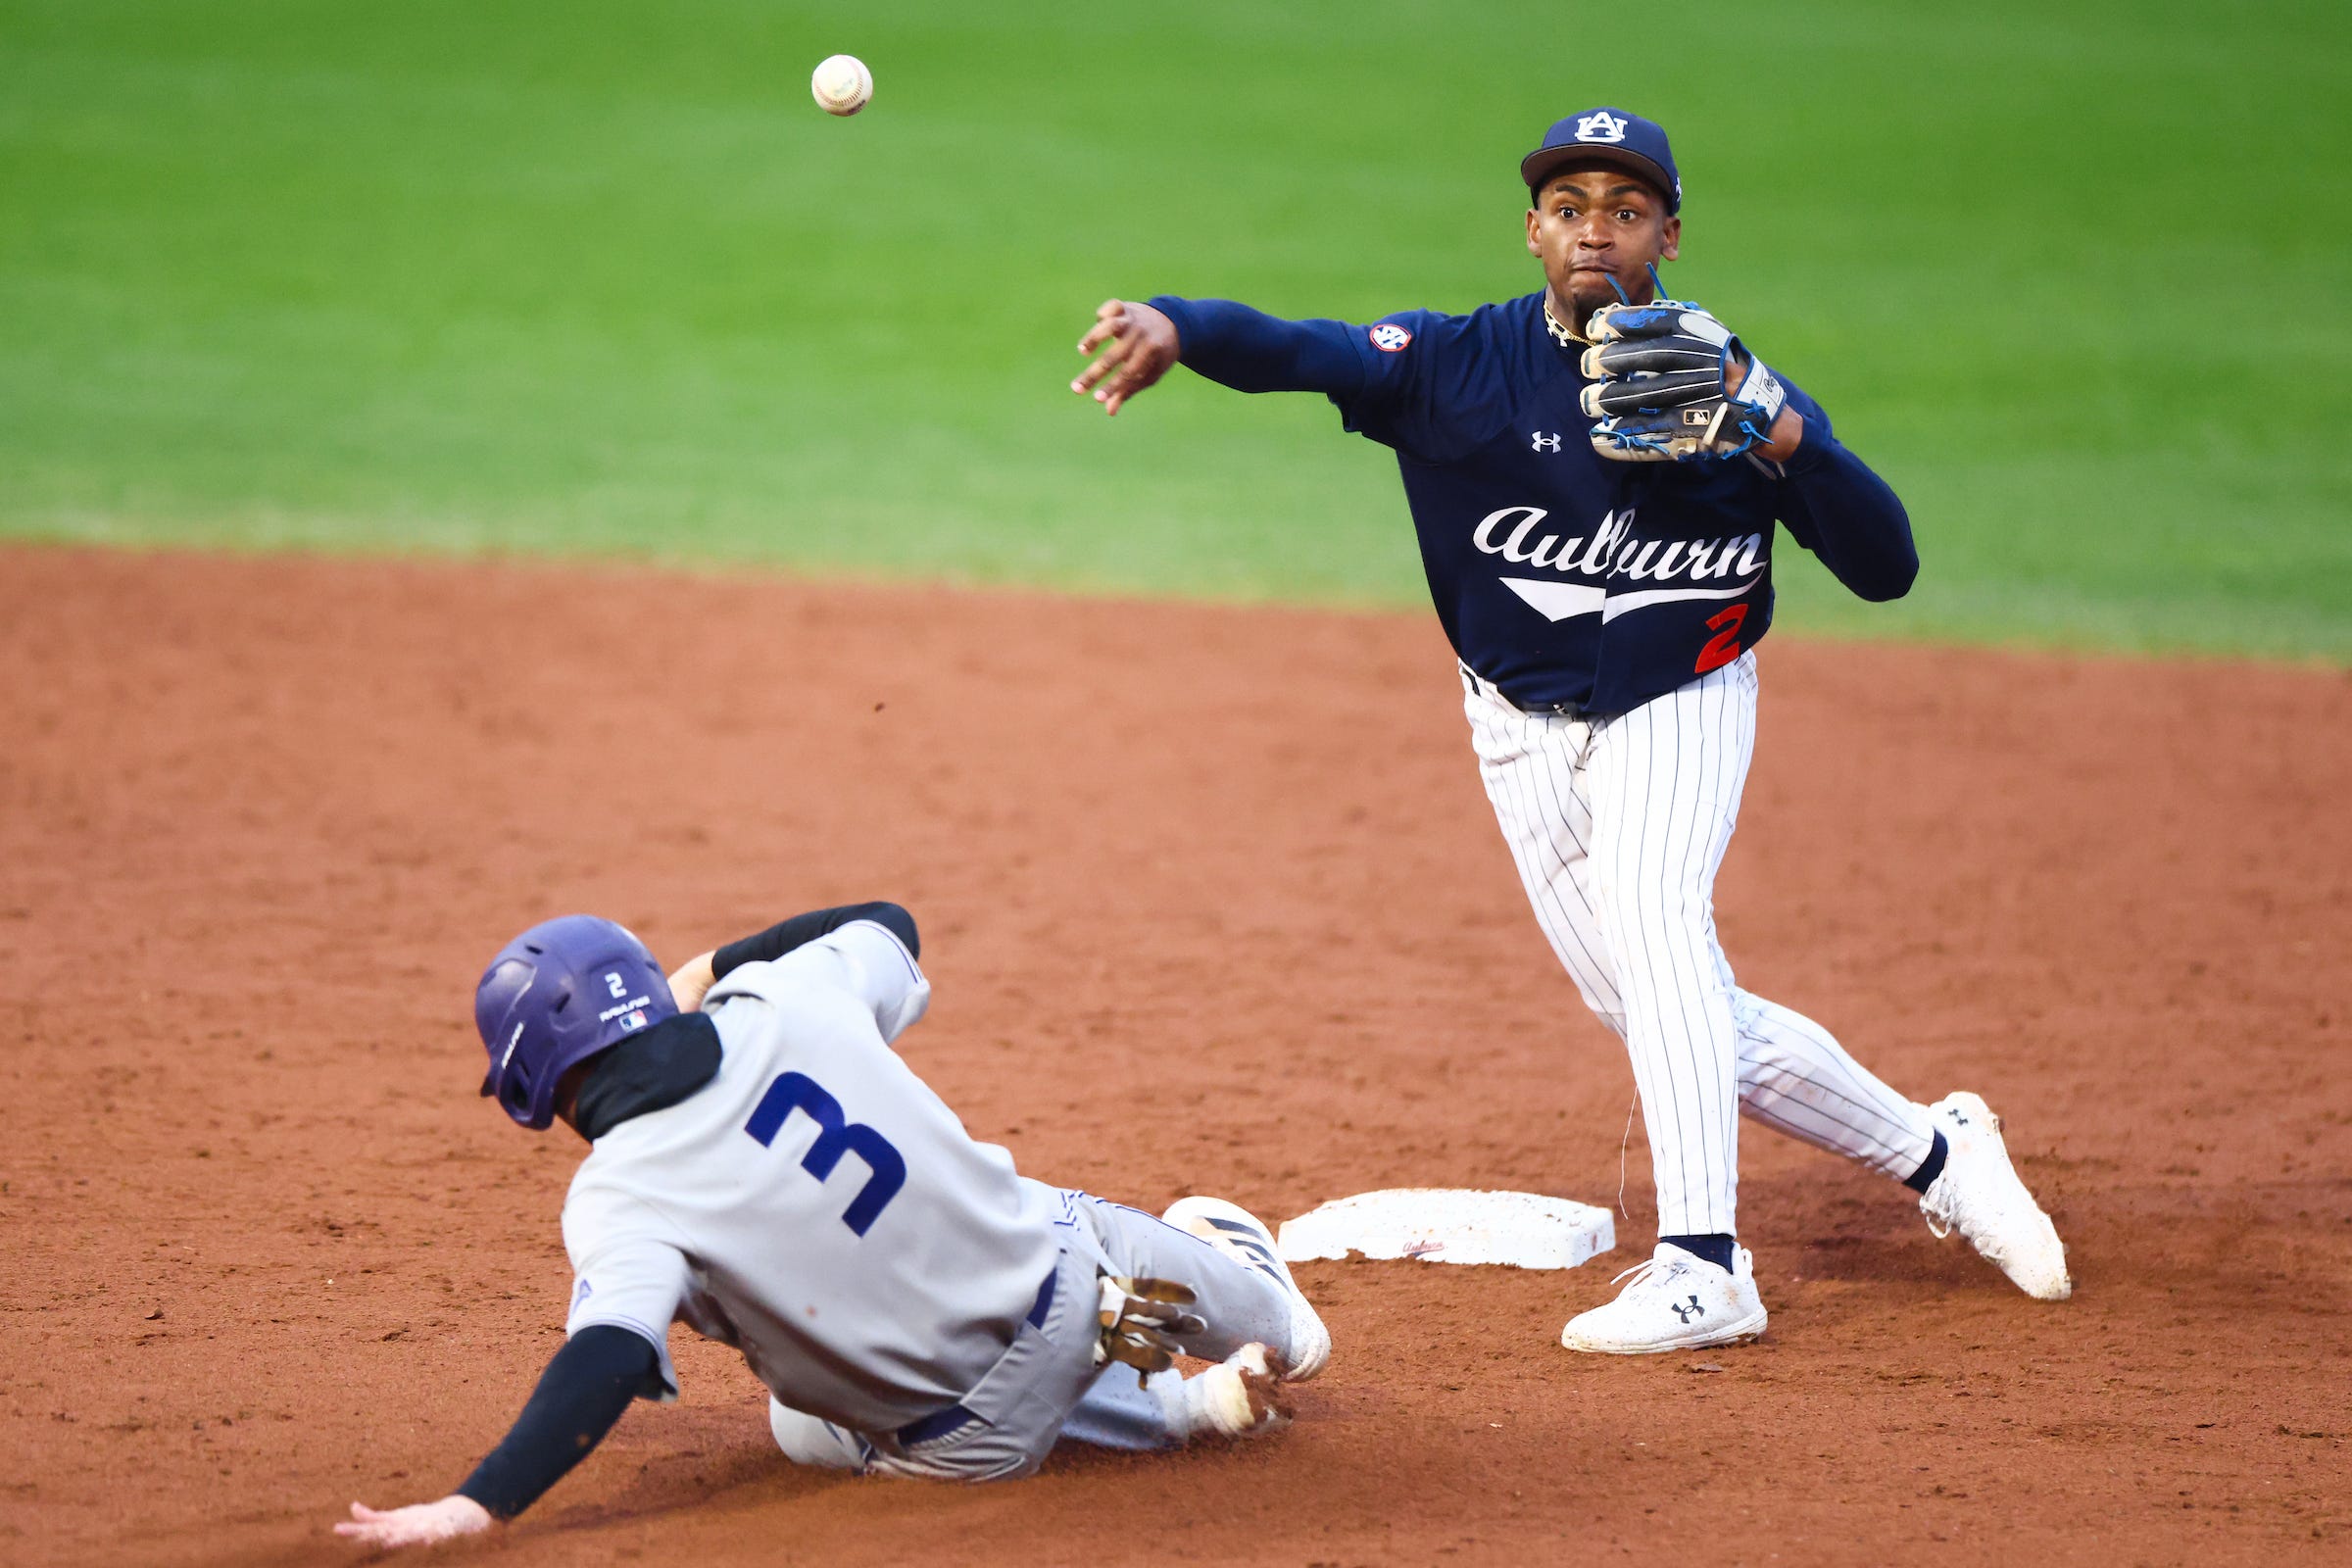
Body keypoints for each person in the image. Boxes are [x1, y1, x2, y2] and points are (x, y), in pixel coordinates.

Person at [1069, 107, 2070, 1353]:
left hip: (1683, 696)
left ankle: (1706, 1263)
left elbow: (1888, 567)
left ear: (1671, 235)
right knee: (1657, 1002)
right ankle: (1940, 1153)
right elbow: (1306, 350)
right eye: (1571, 206)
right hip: (1514, 724)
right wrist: (1181, 325)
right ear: (1533, 229)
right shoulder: (1456, 366)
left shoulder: (1733, 386)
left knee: (1661, 934)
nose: (1597, 229)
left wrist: (1783, 434)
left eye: (1628, 209)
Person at [334, 904, 1330, 1547]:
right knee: (1266, 1326)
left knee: (804, 1421)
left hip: (972, 1443)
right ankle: (1253, 1310)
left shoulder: (619, 1194)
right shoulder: (780, 993)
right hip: (1072, 1269)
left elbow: (603, 1356)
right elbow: (887, 921)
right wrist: (714, 966)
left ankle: (1173, 1417)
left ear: (539, 1087)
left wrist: (480, 1502)